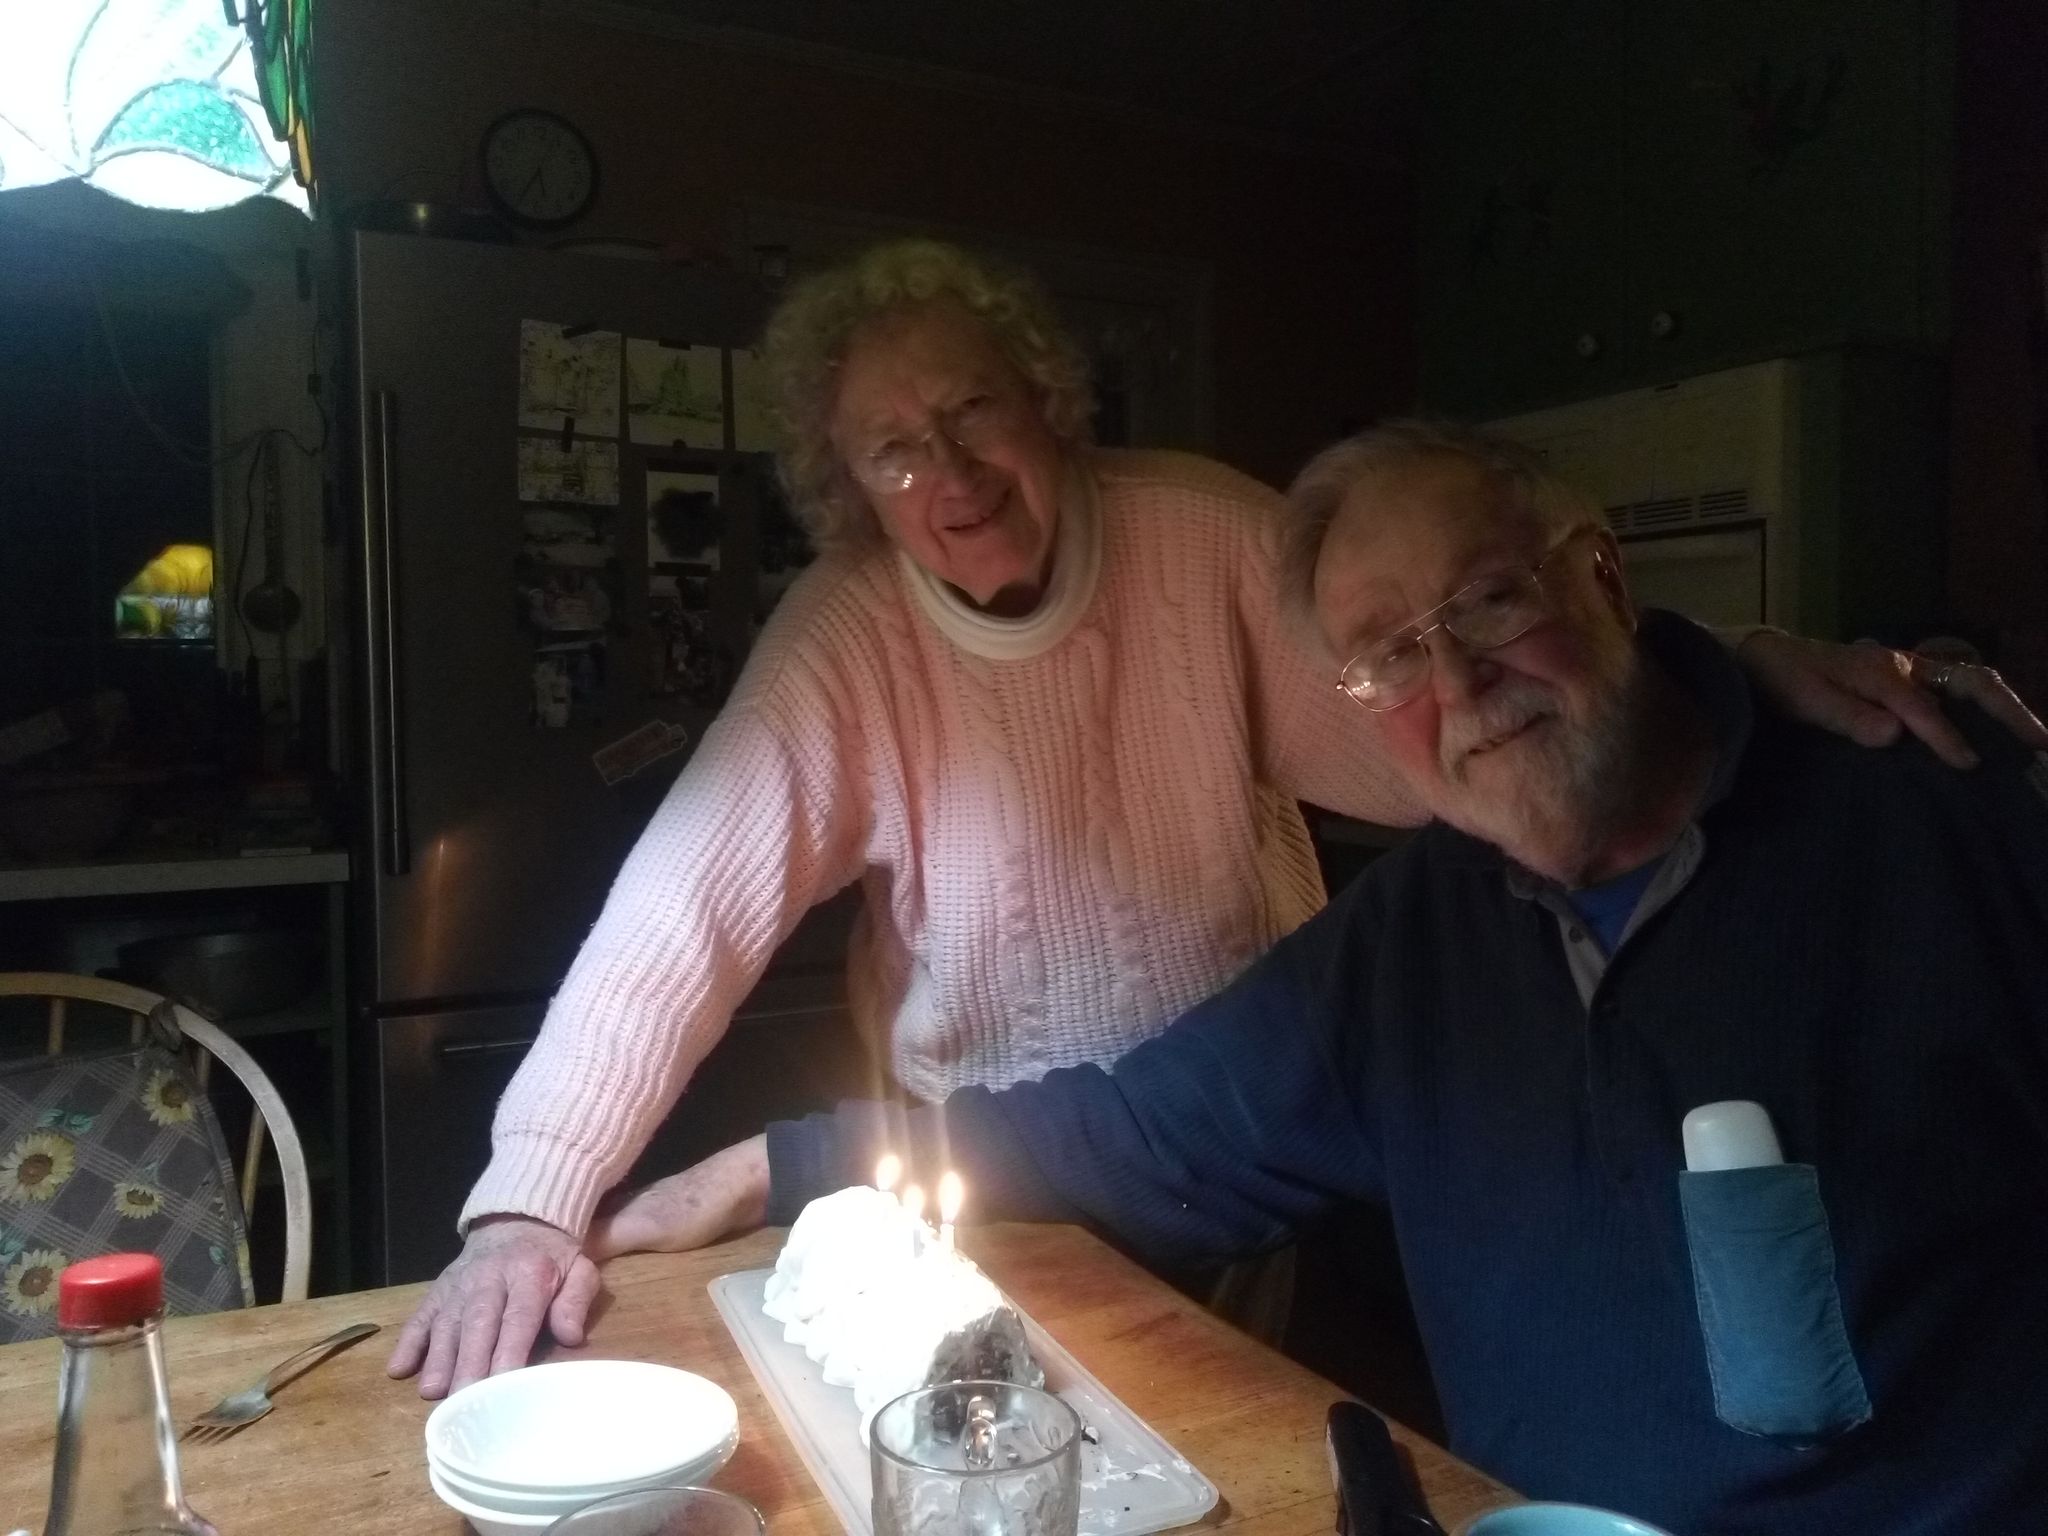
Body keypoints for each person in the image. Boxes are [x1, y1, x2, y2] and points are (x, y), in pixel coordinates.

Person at [389, 241, 2045, 1398]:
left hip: (1255, 1150)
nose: (949, 472)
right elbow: (678, 912)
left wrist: (1713, 676)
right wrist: (531, 1198)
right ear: (848, 490)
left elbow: (1469, 726)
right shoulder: (846, 642)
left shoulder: (1200, 535)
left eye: (974, 412)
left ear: (1050, 399)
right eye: (892, 452)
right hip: (988, 1188)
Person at [599, 422, 2048, 1533]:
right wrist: (787, 1162)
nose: (1457, 685)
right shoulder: (1413, 942)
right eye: (1389, 657)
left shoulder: (1935, 812)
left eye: (1490, 603)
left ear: (1601, 576)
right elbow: (1138, 1127)